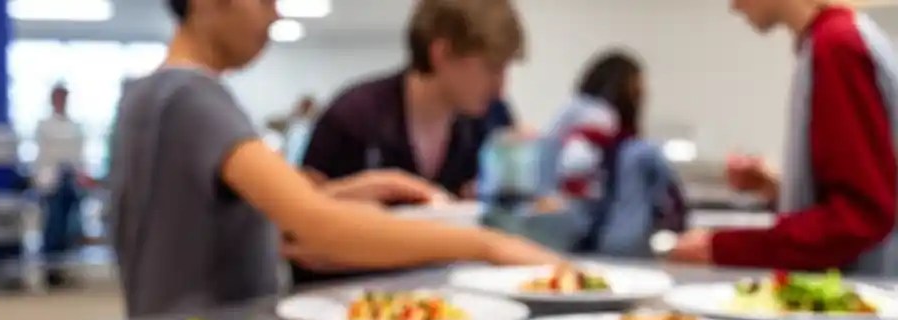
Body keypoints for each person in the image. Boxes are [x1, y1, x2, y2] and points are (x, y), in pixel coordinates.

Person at [106, 0, 561, 319]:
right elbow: (314, 225)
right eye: (265, 0)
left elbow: (210, 216)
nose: (275, 13)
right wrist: (488, 245)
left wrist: (334, 192)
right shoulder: (192, 97)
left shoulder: (149, 95)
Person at [294, 0, 529, 286]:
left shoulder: (487, 118)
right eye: (492, 68)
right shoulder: (352, 114)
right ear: (442, 53)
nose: (501, 86)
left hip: (440, 294)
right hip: (339, 295)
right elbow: (297, 229)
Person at [670, 0, 898, 272]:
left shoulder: (836, 45)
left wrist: (724, 247)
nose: (733, 6)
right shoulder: (834, 39)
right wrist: (781, 187)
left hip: (864, 296)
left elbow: (859, 218)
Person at [537, 51, 686, 256]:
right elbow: (671, 202)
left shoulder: (559, 131)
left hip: (568, 246)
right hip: (626, 250)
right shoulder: (641, 152)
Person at [35, 84, 88, 261]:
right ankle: (51, 265)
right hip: (52, 181)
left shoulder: (75, 126)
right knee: (54, 223)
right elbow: (44, 156)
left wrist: (80, 173)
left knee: (71, 224)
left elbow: (78, 154)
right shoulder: (44, 126)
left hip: (71, 180)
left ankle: (68, 264)